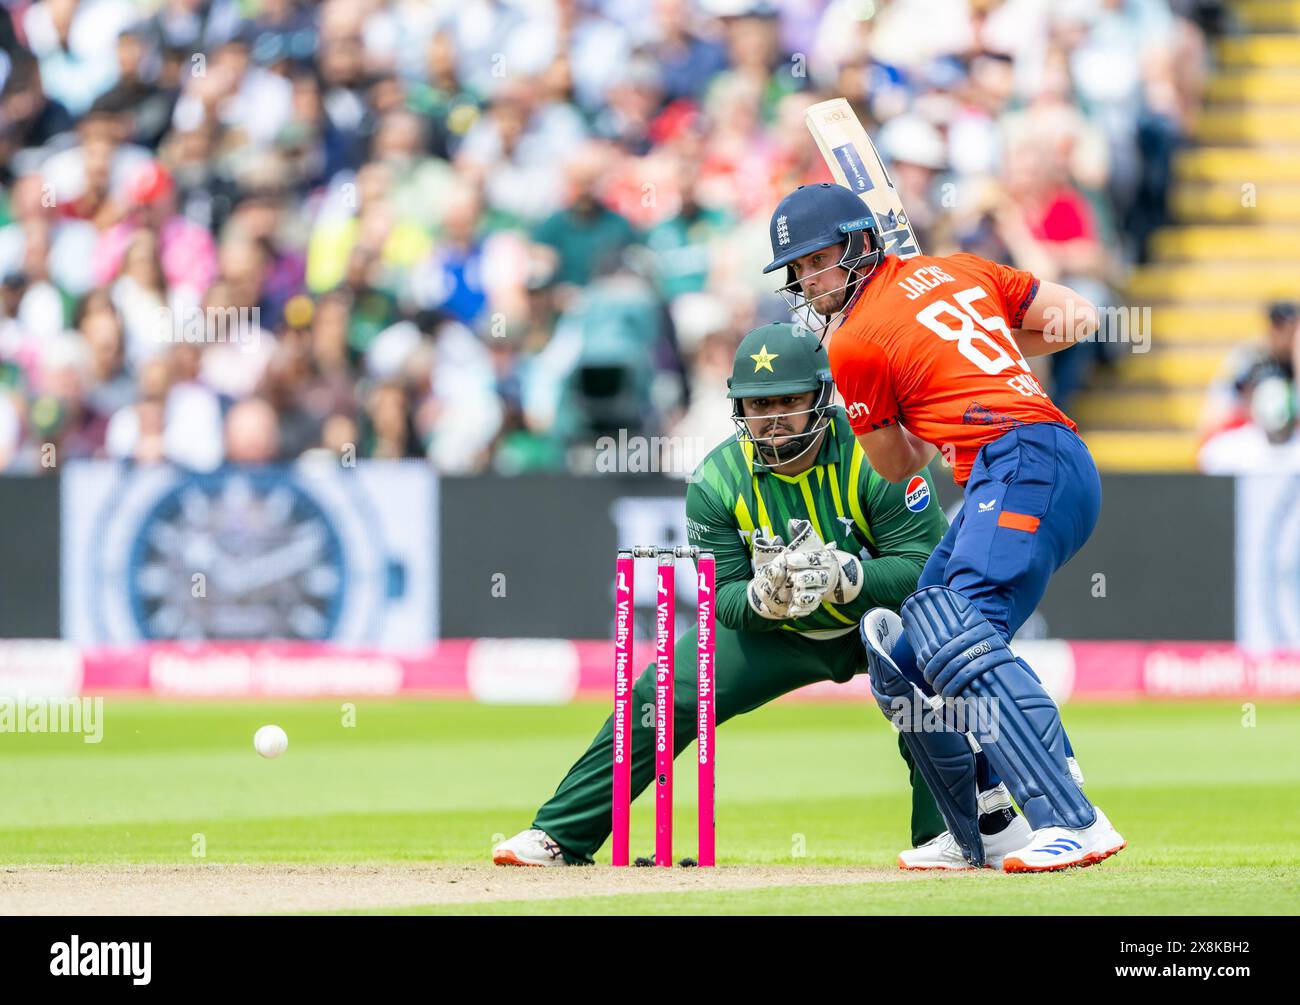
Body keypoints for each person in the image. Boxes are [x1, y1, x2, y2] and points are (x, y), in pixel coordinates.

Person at [492, 322, 1024, 867]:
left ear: (822, 397)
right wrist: (760, 601)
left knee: (932, 678)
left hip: (878, 624)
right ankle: (559, 835)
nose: (772, 419)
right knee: (664, 691)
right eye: (757, 404)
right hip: (781, 631)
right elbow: (721, 597)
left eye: (789, 400)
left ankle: (956, 839)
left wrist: (848, 576)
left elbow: (926, 570)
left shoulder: (878, 454)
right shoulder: (716, 480)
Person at [762, 181, 1124, 872]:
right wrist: (963, 345)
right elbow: (1077, 316)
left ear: (861, 244)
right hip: (1043, 466)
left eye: (818, 259)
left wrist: (908, 377)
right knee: (909, 649)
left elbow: (898, 464)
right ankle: (986, 825)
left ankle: (1070, 815)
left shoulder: (855, 342)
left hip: (1023, 458)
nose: (808, 279)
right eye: (798, 269)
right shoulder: (961, 269)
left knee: (957, 627)